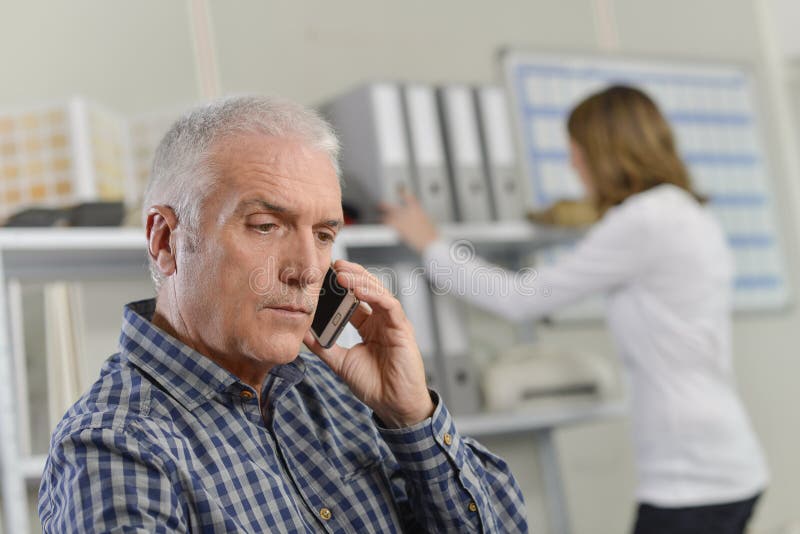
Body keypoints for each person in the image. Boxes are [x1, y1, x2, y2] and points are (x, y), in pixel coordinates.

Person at [38, 95, 528, 533]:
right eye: (266, 226)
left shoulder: (344, 394)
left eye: (323, 235)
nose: (308, 271)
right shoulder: (113, 448)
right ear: (167, 241)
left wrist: (411, 417)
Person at [383, 85, 768, 534]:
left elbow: (521, 298)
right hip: (728, 461)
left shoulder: (642, 221)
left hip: (692, 475)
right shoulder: (686, 213)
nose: (572, 163)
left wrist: (431, 244)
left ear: (606, 153)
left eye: (577, 151)